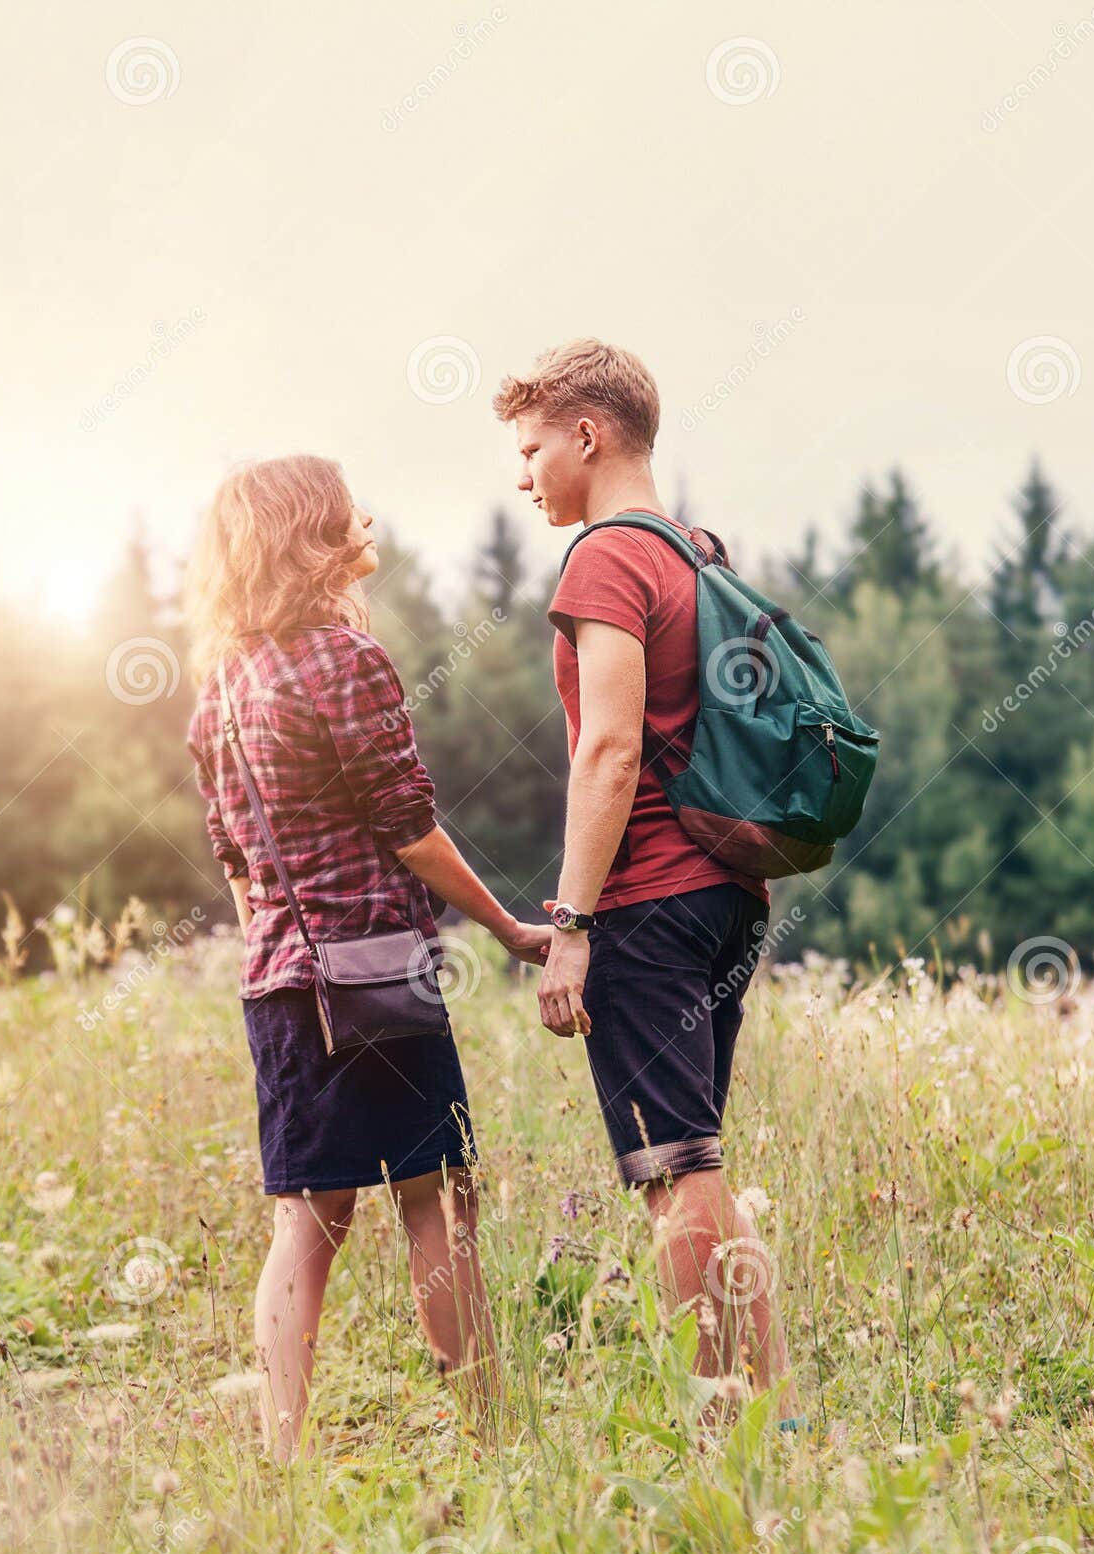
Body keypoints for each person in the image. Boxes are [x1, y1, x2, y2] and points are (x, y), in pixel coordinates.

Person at [183, 453, 552, 1461]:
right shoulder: (344, 661)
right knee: (436, 1192)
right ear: (312, 533)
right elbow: (410, 829)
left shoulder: (220, 686)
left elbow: (240, 869)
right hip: (375, 968)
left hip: (278, 984)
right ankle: (488, 1437)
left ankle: (281, 1454)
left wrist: (288, 936)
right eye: (348, 509)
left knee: (307, 1216)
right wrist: (515, 931)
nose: (366, 518)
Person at [492, 339, 796, 1418]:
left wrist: (571, 919)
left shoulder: (605, 560)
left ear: (587, 434)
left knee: (672, 1173)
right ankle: (771, 1404)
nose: (522, 474)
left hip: (650, 902)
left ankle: (724, 1425)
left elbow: (608, 750)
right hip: (725, 895)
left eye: (530, 449)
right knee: (697, 1162)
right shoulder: (693, 550)